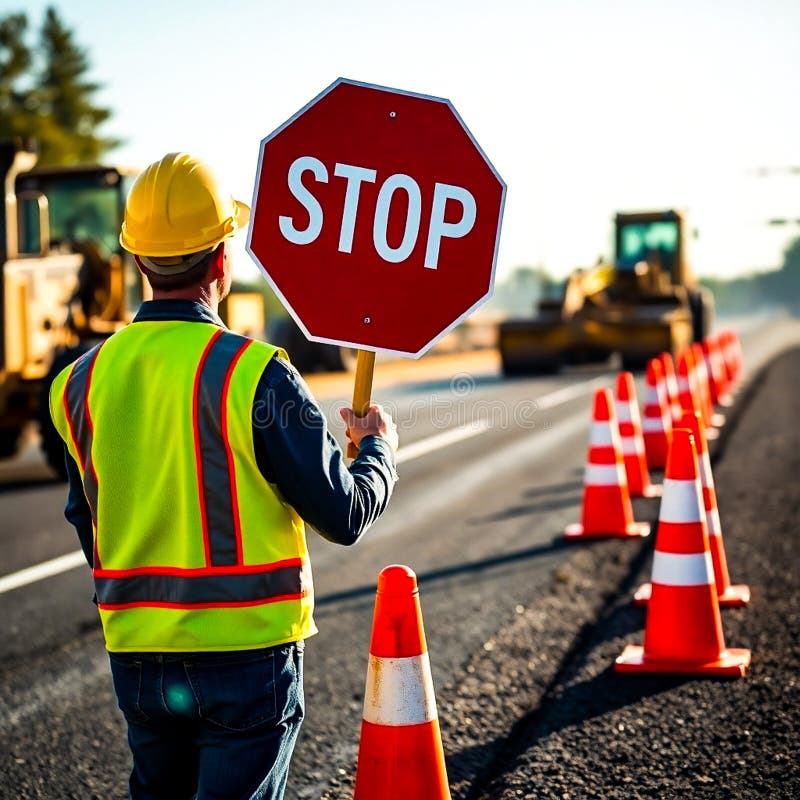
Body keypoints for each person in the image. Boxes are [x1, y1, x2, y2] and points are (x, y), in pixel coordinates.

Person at [49, 152, 399, 800]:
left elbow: (85, 518)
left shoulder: (77, 384)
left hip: (138, 658)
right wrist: (376, 449)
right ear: (221, 262)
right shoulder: (255, 373)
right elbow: (345, 515)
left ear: (137, 262)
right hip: (248, 661)